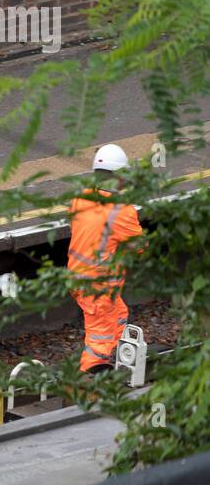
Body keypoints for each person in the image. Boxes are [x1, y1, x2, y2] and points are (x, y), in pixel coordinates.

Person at [68, 143, 143, 375]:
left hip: (77, 278)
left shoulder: (80, 199)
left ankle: (117, 359)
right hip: (99, 287)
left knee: (119, 315)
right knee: (98, 339)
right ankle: (88, 383)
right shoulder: (121, 210)